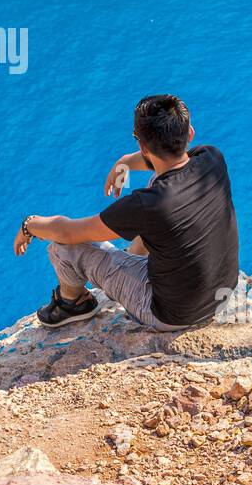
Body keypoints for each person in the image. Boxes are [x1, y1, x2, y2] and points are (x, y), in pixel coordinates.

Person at [13, 94, 238, 330]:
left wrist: (30, 224)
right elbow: (169, 160)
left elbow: (69, 233)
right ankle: (133, 256)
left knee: (63, 249)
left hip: (170, 315)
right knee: (157, 185)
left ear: (141, 145)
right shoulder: (212, 159)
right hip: (220, 296)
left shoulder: (146, 204)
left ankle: (73, 304)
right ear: (189, 132)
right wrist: (126, 162)